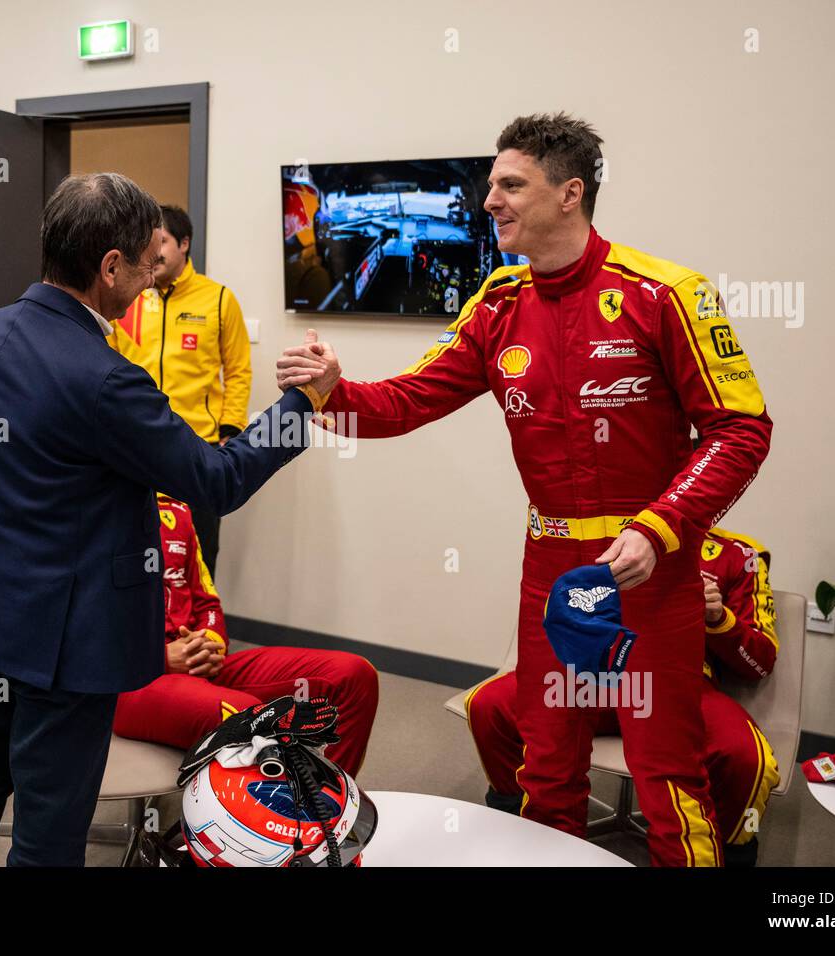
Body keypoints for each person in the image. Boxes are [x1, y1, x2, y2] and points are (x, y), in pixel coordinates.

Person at [277, 112, 773, 866]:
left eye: (511, 185)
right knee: (546, 772)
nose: (489, 202)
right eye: (491, 187)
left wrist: (662, 526)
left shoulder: (666, 293)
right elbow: (407, 402)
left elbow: (742, 429)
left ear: (570, 193)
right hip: (551, 573)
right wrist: (333, 393)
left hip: (653, 573)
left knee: (668, 774)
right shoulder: (497, 305)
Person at [0, 173, 327, 867]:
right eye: (144, 262)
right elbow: (215, 479)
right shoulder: (104, 375)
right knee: (50, 833)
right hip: (63, 646)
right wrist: (304, 406)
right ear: (109, 266)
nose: (151, 277)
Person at [467, 528, 780, 865]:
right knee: (488, 705)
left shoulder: (740, 554)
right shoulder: (586, 527)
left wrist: (718, 618)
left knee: (750, 758)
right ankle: (511, 816)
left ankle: (730, 852)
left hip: (681, 681)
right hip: (591, 676)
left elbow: (759, 663)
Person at [112, 493, 378, 776]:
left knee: (353, 676)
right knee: (252, 718)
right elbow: (72, 631)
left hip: (201, 665)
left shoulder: (177, 510)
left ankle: (324, 805)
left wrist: (208, 644)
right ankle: (255, 816)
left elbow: (206, 602)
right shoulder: (90, 516)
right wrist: (160, 658)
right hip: (132, 681)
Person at [107, 205, 252, 578]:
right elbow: (108, 365)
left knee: (198, 558)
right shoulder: (131, 299)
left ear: (185, 244)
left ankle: (203, 632)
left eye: (164, 242)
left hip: (197, 448)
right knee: (138, 555)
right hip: (138, 449)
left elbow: (237, 371)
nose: (155, 253)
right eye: (150, 244)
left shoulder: (219, 299)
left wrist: (230, 432)